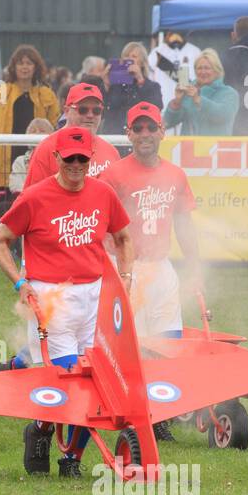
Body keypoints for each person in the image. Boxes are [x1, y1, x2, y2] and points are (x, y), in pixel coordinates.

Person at [0, 125, 134, 477]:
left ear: (90, 159)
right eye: (69, 158)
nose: (76, 165)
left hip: (94, 295)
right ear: (56, 157)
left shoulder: (103, 194)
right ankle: (40, 430)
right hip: (51, 297)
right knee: (70, 381)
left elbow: (124, 238)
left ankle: (72, 459)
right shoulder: (36, 197)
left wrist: (125, 281)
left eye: (82, 158)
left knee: (97, 380)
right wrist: (20, 282)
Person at [102, 101, 200, 443]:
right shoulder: (113, 174)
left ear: (162, 131)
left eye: (151, 128)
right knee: (133, 346)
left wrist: (195, 268)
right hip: (127, 267)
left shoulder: (175, 174)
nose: (145, 134)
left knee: (166, 343)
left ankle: (159, 415)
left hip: (161, 268)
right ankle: (131, 413)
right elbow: (101, 225)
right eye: (138, 128)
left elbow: (185, 225)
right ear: (128, 134)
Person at [0, 45, 58, 191]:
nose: (24, 67)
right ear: (13, 67)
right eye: (20, 63)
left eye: (29, 63)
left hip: (36, 156)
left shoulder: (47, 94)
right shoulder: (2, 92)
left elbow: (55, 128)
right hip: (6, 155)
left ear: (35, 67)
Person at [24, 82, 119, 187]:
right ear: (66, 111)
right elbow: (31, 198)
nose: (90, 115)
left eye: (96, 110)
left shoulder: (111, 152)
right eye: (83, 109)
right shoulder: (46, 149)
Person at [162, 49, 238, 135]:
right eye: (199, 68)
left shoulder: (229, 93)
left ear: (217, 71)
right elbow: (167, 123)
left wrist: (199, 100)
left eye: (207, 68)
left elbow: (222, 116)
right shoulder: (188, 92)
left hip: (215, 147)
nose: (203, 72)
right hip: (189, 147)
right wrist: (177, 102)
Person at [100, 41, 163, 135]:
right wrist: (106, 85)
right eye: (126, 56)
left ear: (142, 63)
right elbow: (102, 109)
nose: (129, 60)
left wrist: (140, 80)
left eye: (134, 56)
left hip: (139, 135)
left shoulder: (153, 87)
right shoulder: (114, 85)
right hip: (113, 135)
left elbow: (156, 108)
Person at [148, 30, 202, 108]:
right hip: (163, 103)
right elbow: (150, 78)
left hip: (188, 104)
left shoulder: (195, 52)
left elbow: (201, 80)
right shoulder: (157, 53)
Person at [9, 118, 54, 193]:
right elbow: (15, 186)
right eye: (33, 131)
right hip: (26, 199)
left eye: (42, 131)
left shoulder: (58, 159)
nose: (37, 134)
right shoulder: (20, 161)